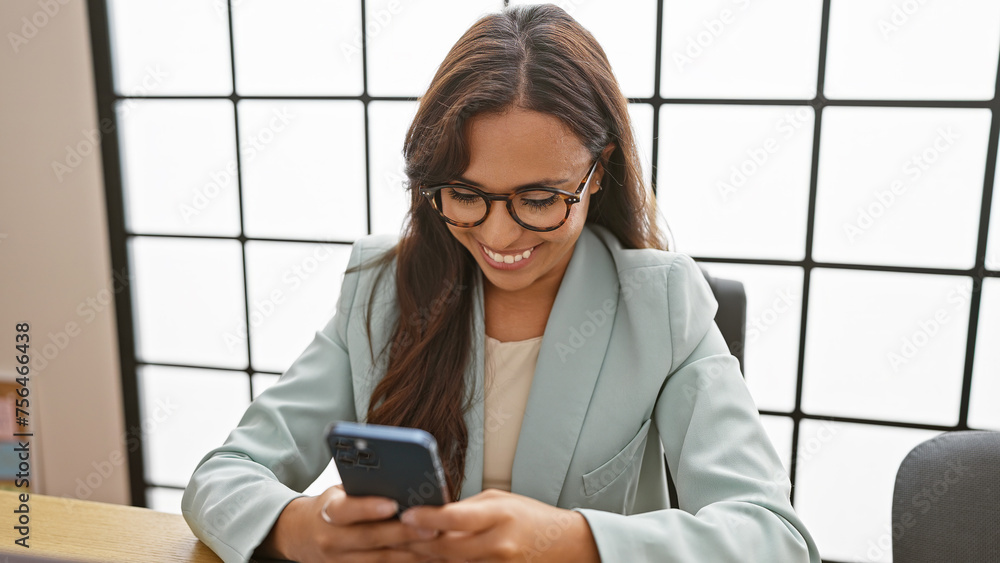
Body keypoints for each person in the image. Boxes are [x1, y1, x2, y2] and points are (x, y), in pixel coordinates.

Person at [181, 4, 821, 562]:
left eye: (539, 200)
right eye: (465, 195)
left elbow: (773, 539)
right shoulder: (381, 291)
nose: (500, 235)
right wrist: (298, 527)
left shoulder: (660, 307)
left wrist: (576, 542)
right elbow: (224, 477)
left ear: (596, 174)